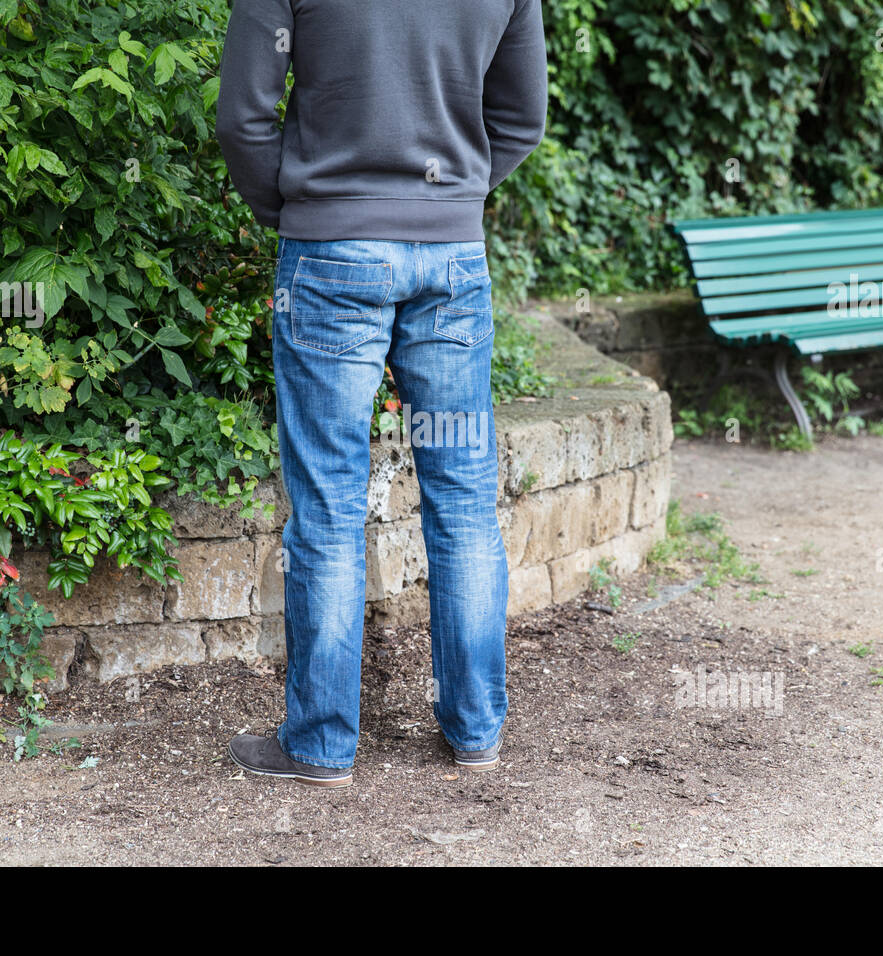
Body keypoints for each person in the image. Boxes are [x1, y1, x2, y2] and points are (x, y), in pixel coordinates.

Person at [215, 0, 548, 788]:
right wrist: (447, 202)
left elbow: (242, 118)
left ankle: (321, 745)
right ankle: (475, 734)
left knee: (328, 500)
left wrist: (308, 210)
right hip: (453, 260)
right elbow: (521, 117)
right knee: (463, 497)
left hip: (331, 256)